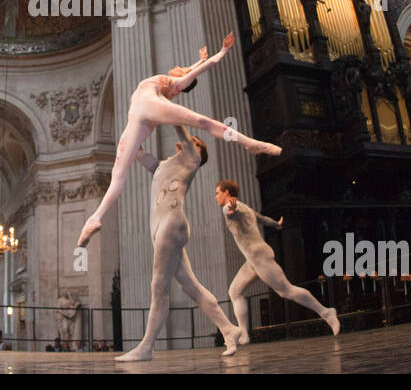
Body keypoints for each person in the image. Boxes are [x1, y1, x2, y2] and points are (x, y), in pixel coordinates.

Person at [77, 32, 282, 248]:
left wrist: (221, 52)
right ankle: (95, 218)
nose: (177, 68)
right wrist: (200, 60)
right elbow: (191, 70)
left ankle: (251, 144)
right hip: (141, 118)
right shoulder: (168, 87)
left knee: (120, 175)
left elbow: (194, 72)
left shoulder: (171, 83)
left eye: (181, 70)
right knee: (119, 174)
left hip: (140, 113)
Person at [116, 126, 243, 361]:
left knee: (159, 287)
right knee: (190, 286)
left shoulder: (192, 161)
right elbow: (140, 154)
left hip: (172, 225)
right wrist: (133, 132)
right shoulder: (164, 166)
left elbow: (180, 128)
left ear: (196, 150)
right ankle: (228, 328)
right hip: (161, 228)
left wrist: (165, 104)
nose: (186, 142)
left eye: (193, 142)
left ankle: (146, 347)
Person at [215, 179, 339, 340]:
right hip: (253, 260)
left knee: (286, 291)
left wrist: (231, 210)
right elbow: (262, 218)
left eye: (217, 193)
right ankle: (244, 334)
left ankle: (326, 312)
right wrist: (276, 224)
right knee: (234, 291)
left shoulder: (232, 207)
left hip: (260, 258)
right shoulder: (246, 208)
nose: (215, 196)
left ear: (226, 193)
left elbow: (230, 211)